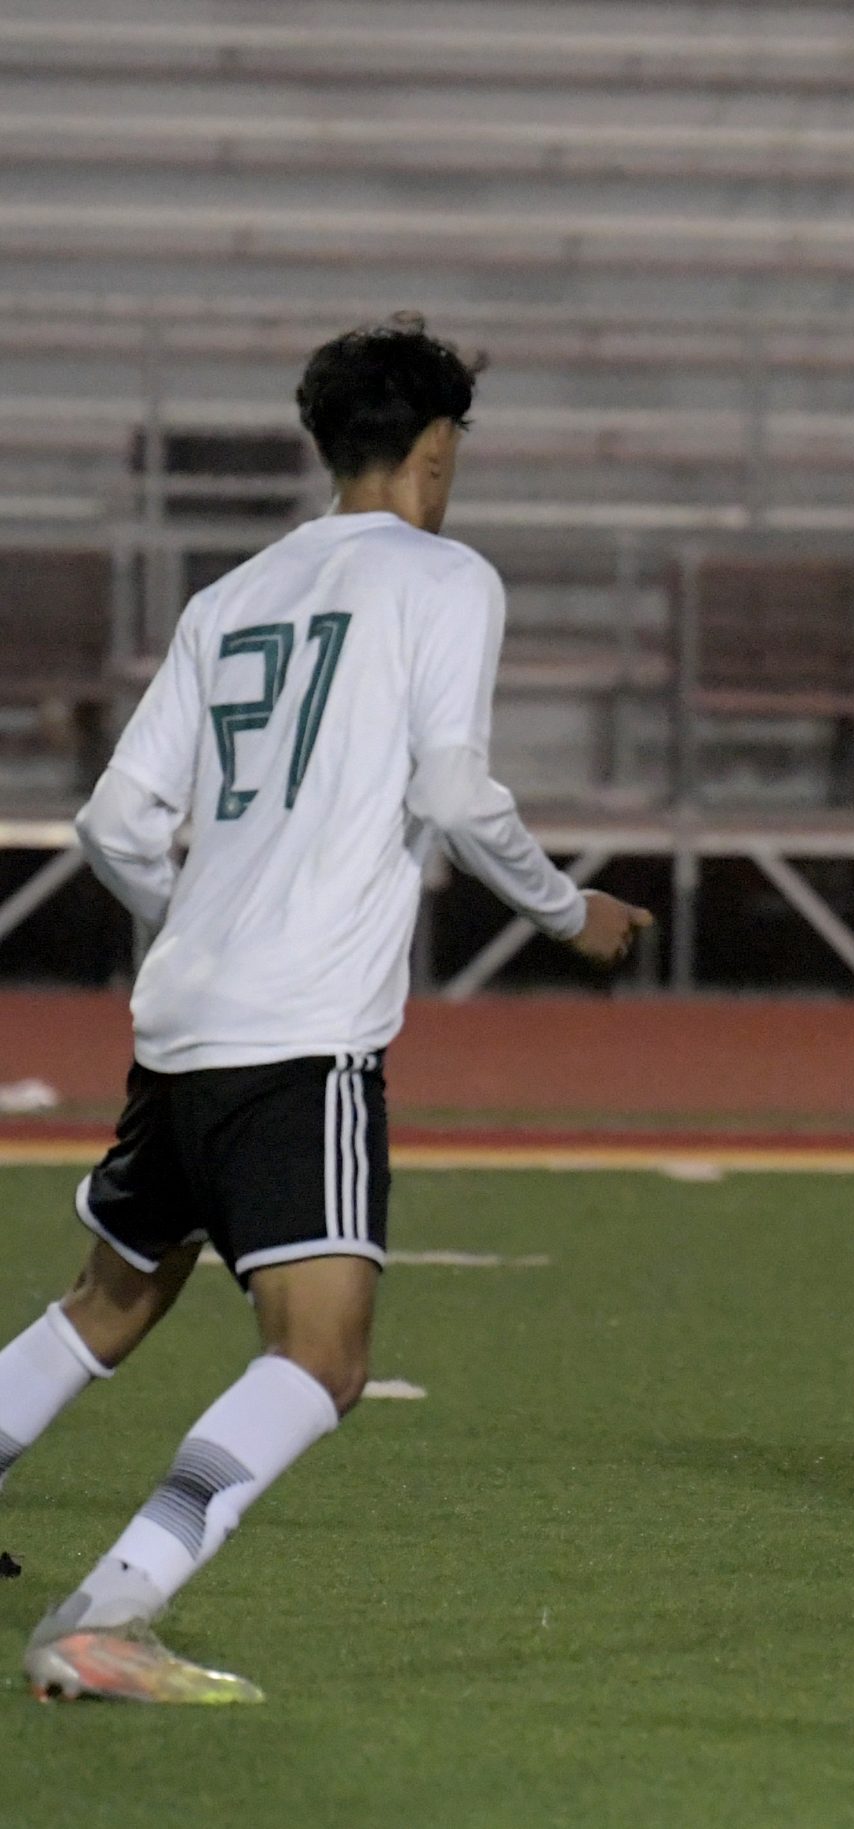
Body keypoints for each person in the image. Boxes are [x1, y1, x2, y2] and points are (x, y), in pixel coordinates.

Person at [0, 318, 653, 1703]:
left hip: (183, 1017)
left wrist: (202, 922)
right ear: (433, 452)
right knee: (322, 1358)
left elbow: (117, 819)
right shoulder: (443, 576)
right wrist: (567, 909)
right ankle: (107, 1613)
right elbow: (458, 795)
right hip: (300, 1036)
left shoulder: (230, 595)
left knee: (111, 1299)